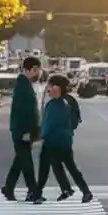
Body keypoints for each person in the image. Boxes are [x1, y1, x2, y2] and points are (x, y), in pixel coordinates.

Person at [36, 74, 94, 204]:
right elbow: (74, 121)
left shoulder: (53, 105)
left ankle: (37, 193)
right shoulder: (67, 102)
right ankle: (84, 191)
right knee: (69, 167)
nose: (48, 89)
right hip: (65, 141)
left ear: (58, 88)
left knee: (44, 167)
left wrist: (38, 137)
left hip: (51, 141)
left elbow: (47, 125)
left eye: (50, 87)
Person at [2, 56, 43, 203]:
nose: (38, 73)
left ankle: (9, 188)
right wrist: (27, 131)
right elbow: (23, 111)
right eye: (37, 70)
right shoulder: (22, 86)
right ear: (32, 69)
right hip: (22, 130)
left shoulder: (25, 84)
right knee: (26, 162)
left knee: (21, 160)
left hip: (25, 130)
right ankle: (32, 190)